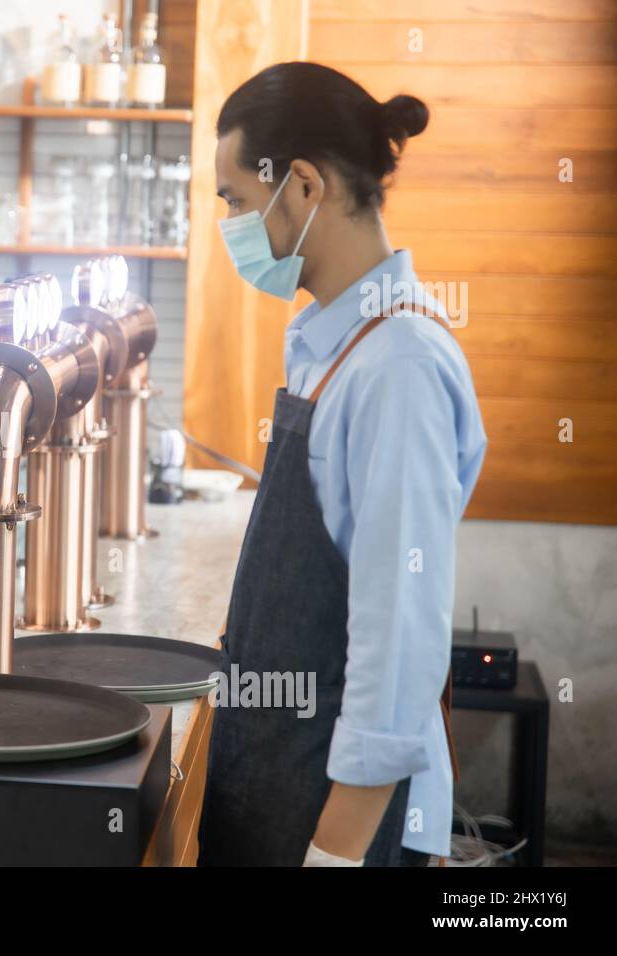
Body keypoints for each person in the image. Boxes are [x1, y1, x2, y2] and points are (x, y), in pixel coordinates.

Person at [197, 63, 487, 866]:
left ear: (300, 186)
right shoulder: (332, 343)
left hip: (329, 815)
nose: (227, 223)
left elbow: (398, 636)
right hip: (278, 771)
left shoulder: (397, 365)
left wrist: (336, 851)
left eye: (234, 200)